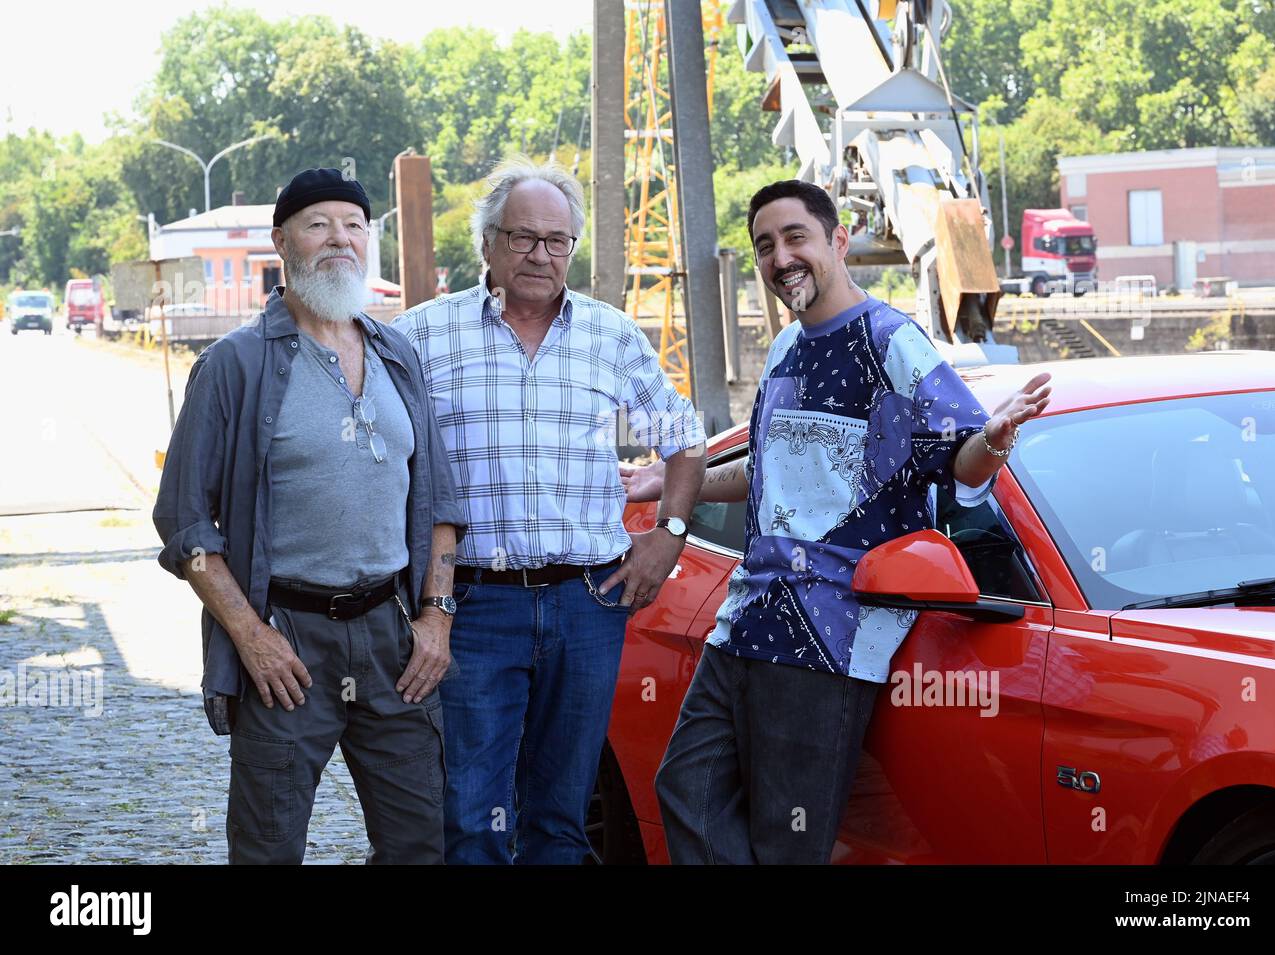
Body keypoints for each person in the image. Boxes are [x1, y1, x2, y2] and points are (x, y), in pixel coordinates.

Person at [625, 179, 1051, 864]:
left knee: (786, 837)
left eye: (795, 237)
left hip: (828, 635)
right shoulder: (784, 349)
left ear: (838, 241)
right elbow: (766, 477)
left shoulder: (891, 341)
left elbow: (964, 464)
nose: (781, 257)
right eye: (765, 245)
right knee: (686, 787)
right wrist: (676, 480)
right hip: (747, 617)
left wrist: (995, 437)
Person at [394, 157, 706, 864]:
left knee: (561, 821)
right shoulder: (419, 337)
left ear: (573, 248)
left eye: (557, 240)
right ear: (489, 245)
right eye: (523, 237)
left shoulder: (611, 335)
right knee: (472, 820)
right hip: (471, 609)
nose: (540, 254)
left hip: (587, 605)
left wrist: (669, 538)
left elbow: (686, 442)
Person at [153, 167, 466, 864]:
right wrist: (250, 634)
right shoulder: (235, 365)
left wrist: (437, 617)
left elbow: (439, 498)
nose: (340, 239)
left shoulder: (398, 355)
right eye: (319, 224)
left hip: (393, 635)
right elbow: (184, 523)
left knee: (419, 843)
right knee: (268, 847)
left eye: (354, 225)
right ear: (282, 242)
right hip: (287, 639)